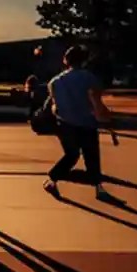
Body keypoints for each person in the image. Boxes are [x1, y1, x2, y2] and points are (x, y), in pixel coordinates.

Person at [44, 46, 118, 202]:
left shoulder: (55, 81)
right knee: (91, 156)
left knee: (71, 154)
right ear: (84, 60)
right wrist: (106, 120)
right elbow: (96, 103)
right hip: (86, 123)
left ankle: (52, 180)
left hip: (64, 123)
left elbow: (54, 106)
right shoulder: (89, 78)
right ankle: (99, 188)